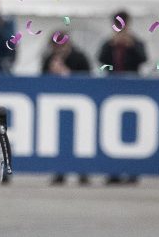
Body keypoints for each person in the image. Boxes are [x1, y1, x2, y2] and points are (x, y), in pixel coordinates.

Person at [96, 10, 147, 185]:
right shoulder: (108, 43)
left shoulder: (136, 42)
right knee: (110, 131)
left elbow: (143, 59)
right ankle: (113, 173)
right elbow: (101, 60)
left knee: (133, 131)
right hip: (112, 91)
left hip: (132, 91)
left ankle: (133, 172)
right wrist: (112, 45)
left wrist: (130, 45)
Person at [41, 31, 92, 186]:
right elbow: (41, 80)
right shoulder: (49, 59)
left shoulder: (80, 57)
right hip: (56, 106)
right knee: (58, 141)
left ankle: (83, 172)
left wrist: (66, 73)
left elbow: (88, 79)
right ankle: (59, 172)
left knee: (81, 141)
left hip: (79, 106)